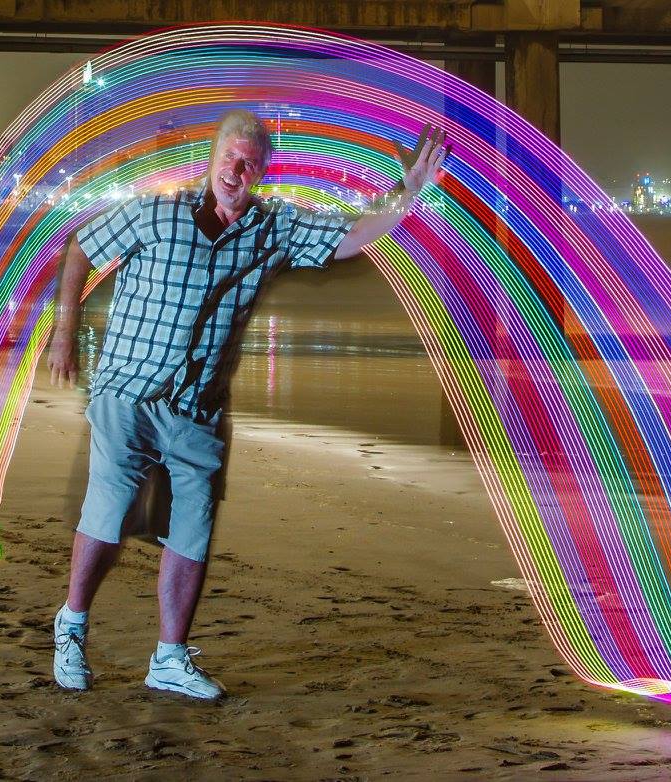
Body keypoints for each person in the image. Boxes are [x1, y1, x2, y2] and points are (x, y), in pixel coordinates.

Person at [48, 109, 447, 698]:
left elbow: (349, 239)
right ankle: (72, 627)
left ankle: (169, 657)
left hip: (198, 406)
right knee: (109, 513)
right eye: (231, 159)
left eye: (252, 163)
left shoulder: (272, 230)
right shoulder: (154, 212)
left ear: (263, 171)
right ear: (212, 160)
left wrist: (407, 196)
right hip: (127, 393)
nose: (239, 172)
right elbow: (81, 251)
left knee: (193, 532)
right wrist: (64, 330)